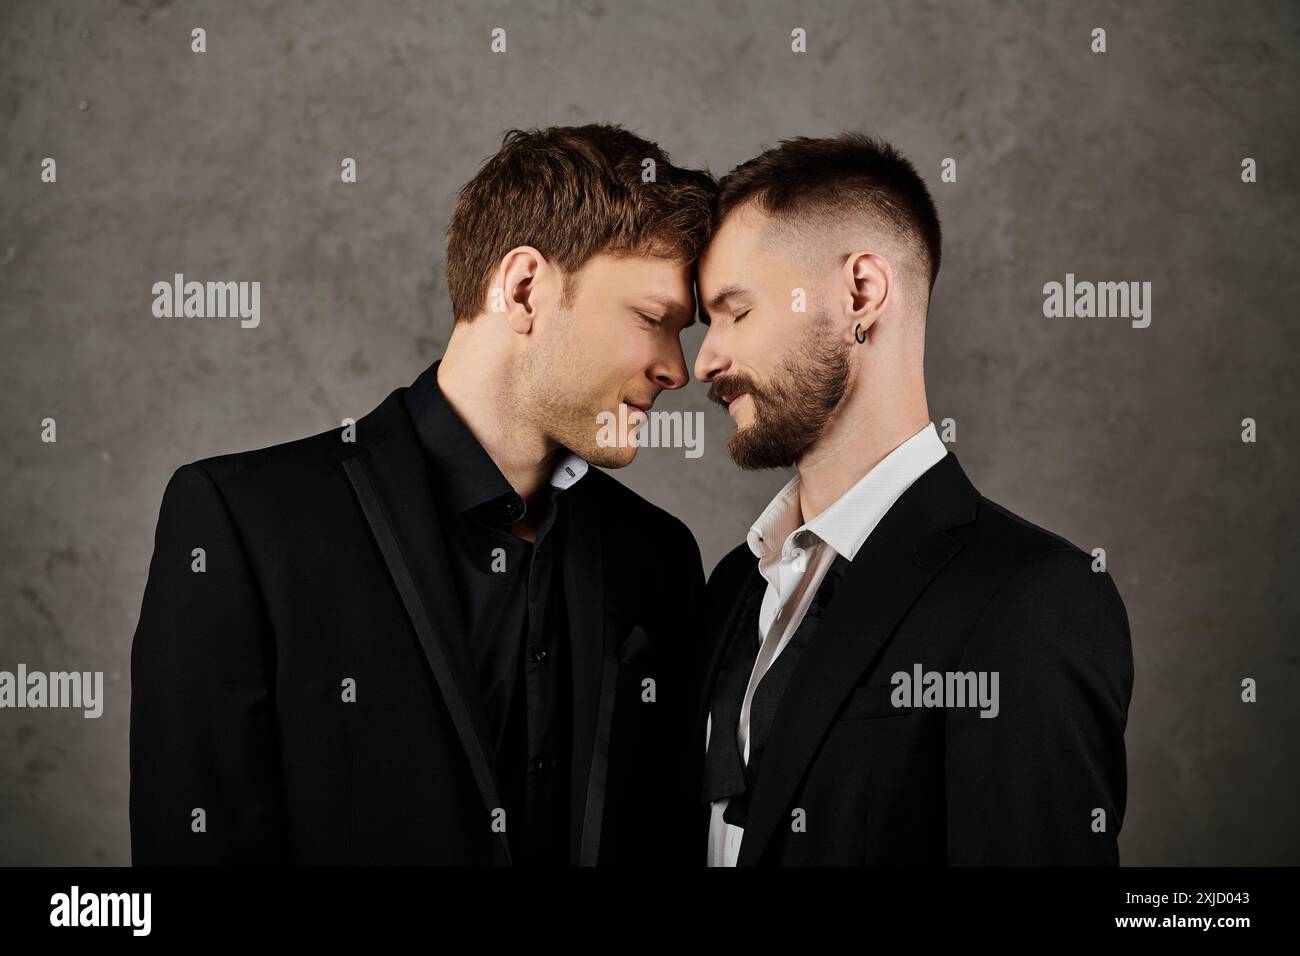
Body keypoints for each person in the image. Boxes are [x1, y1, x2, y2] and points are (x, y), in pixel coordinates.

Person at [130, 124, 714, 866]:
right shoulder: (243, 523)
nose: (677, 369)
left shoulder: (658, 557)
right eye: (653, 320)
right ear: (525, 288)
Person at [690, 133, 1134, 866]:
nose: (704, 359)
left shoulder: (1031, 600)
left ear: (861, 293)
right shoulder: (733, 586)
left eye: (736, 311)